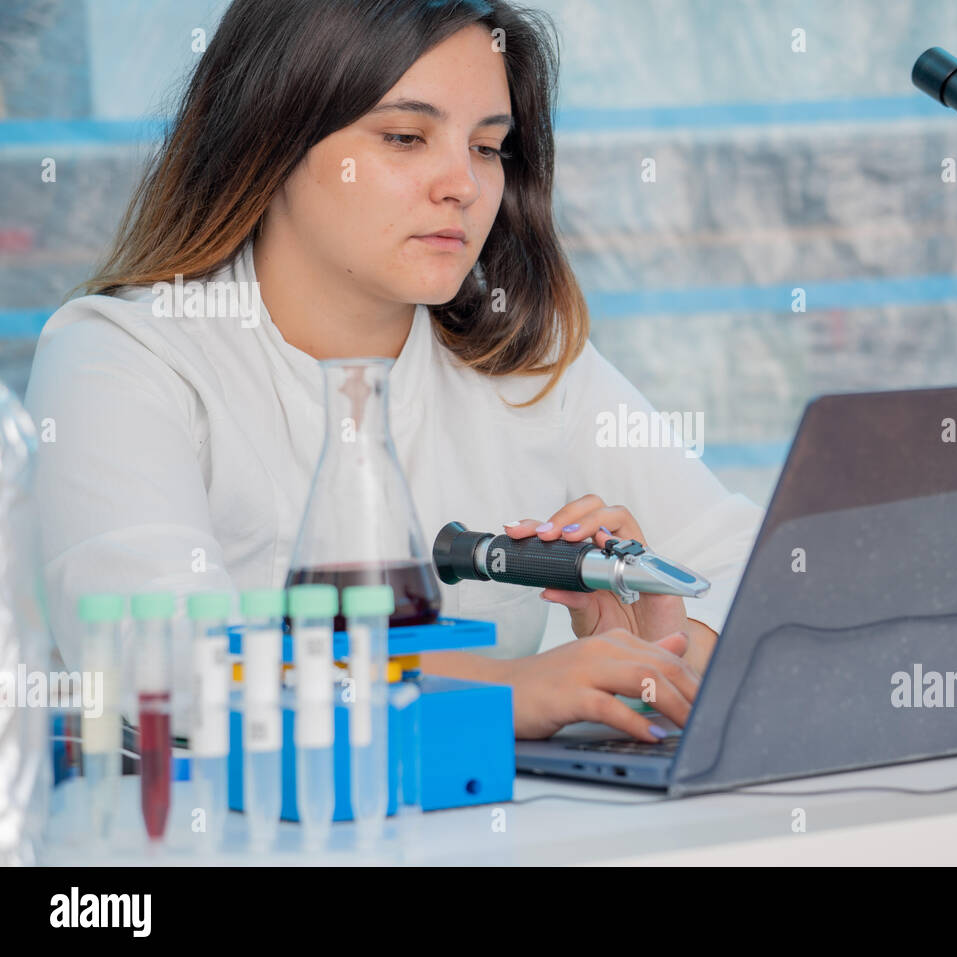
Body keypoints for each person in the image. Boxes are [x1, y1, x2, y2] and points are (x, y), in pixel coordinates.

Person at [24, 0, 762, 743]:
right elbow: (164, 659)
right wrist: (509, 690)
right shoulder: (119, 355)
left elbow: (758, 567)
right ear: (269, 138)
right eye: (406, 137)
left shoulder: (521, 361)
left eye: (486, 146)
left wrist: (668, 650)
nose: (463, 186)